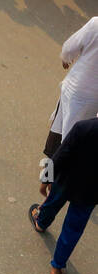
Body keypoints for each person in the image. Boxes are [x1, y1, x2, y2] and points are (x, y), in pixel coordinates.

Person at [29, 116, 98, 274]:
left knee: (51, 204)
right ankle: (57, 268)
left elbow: (60, 156)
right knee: (72, 229)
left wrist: (45, 181)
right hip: (90, 193)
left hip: (65, 181)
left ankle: (41, 222)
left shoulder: (83, 127)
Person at [42, 17, 98, 179]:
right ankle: (56, 179)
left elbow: (69, 48)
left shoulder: (96, 23)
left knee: (60, 133)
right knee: (78, 138)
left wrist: (66, 58)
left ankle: (50, 179)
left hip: (75, 89)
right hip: (93, 101)